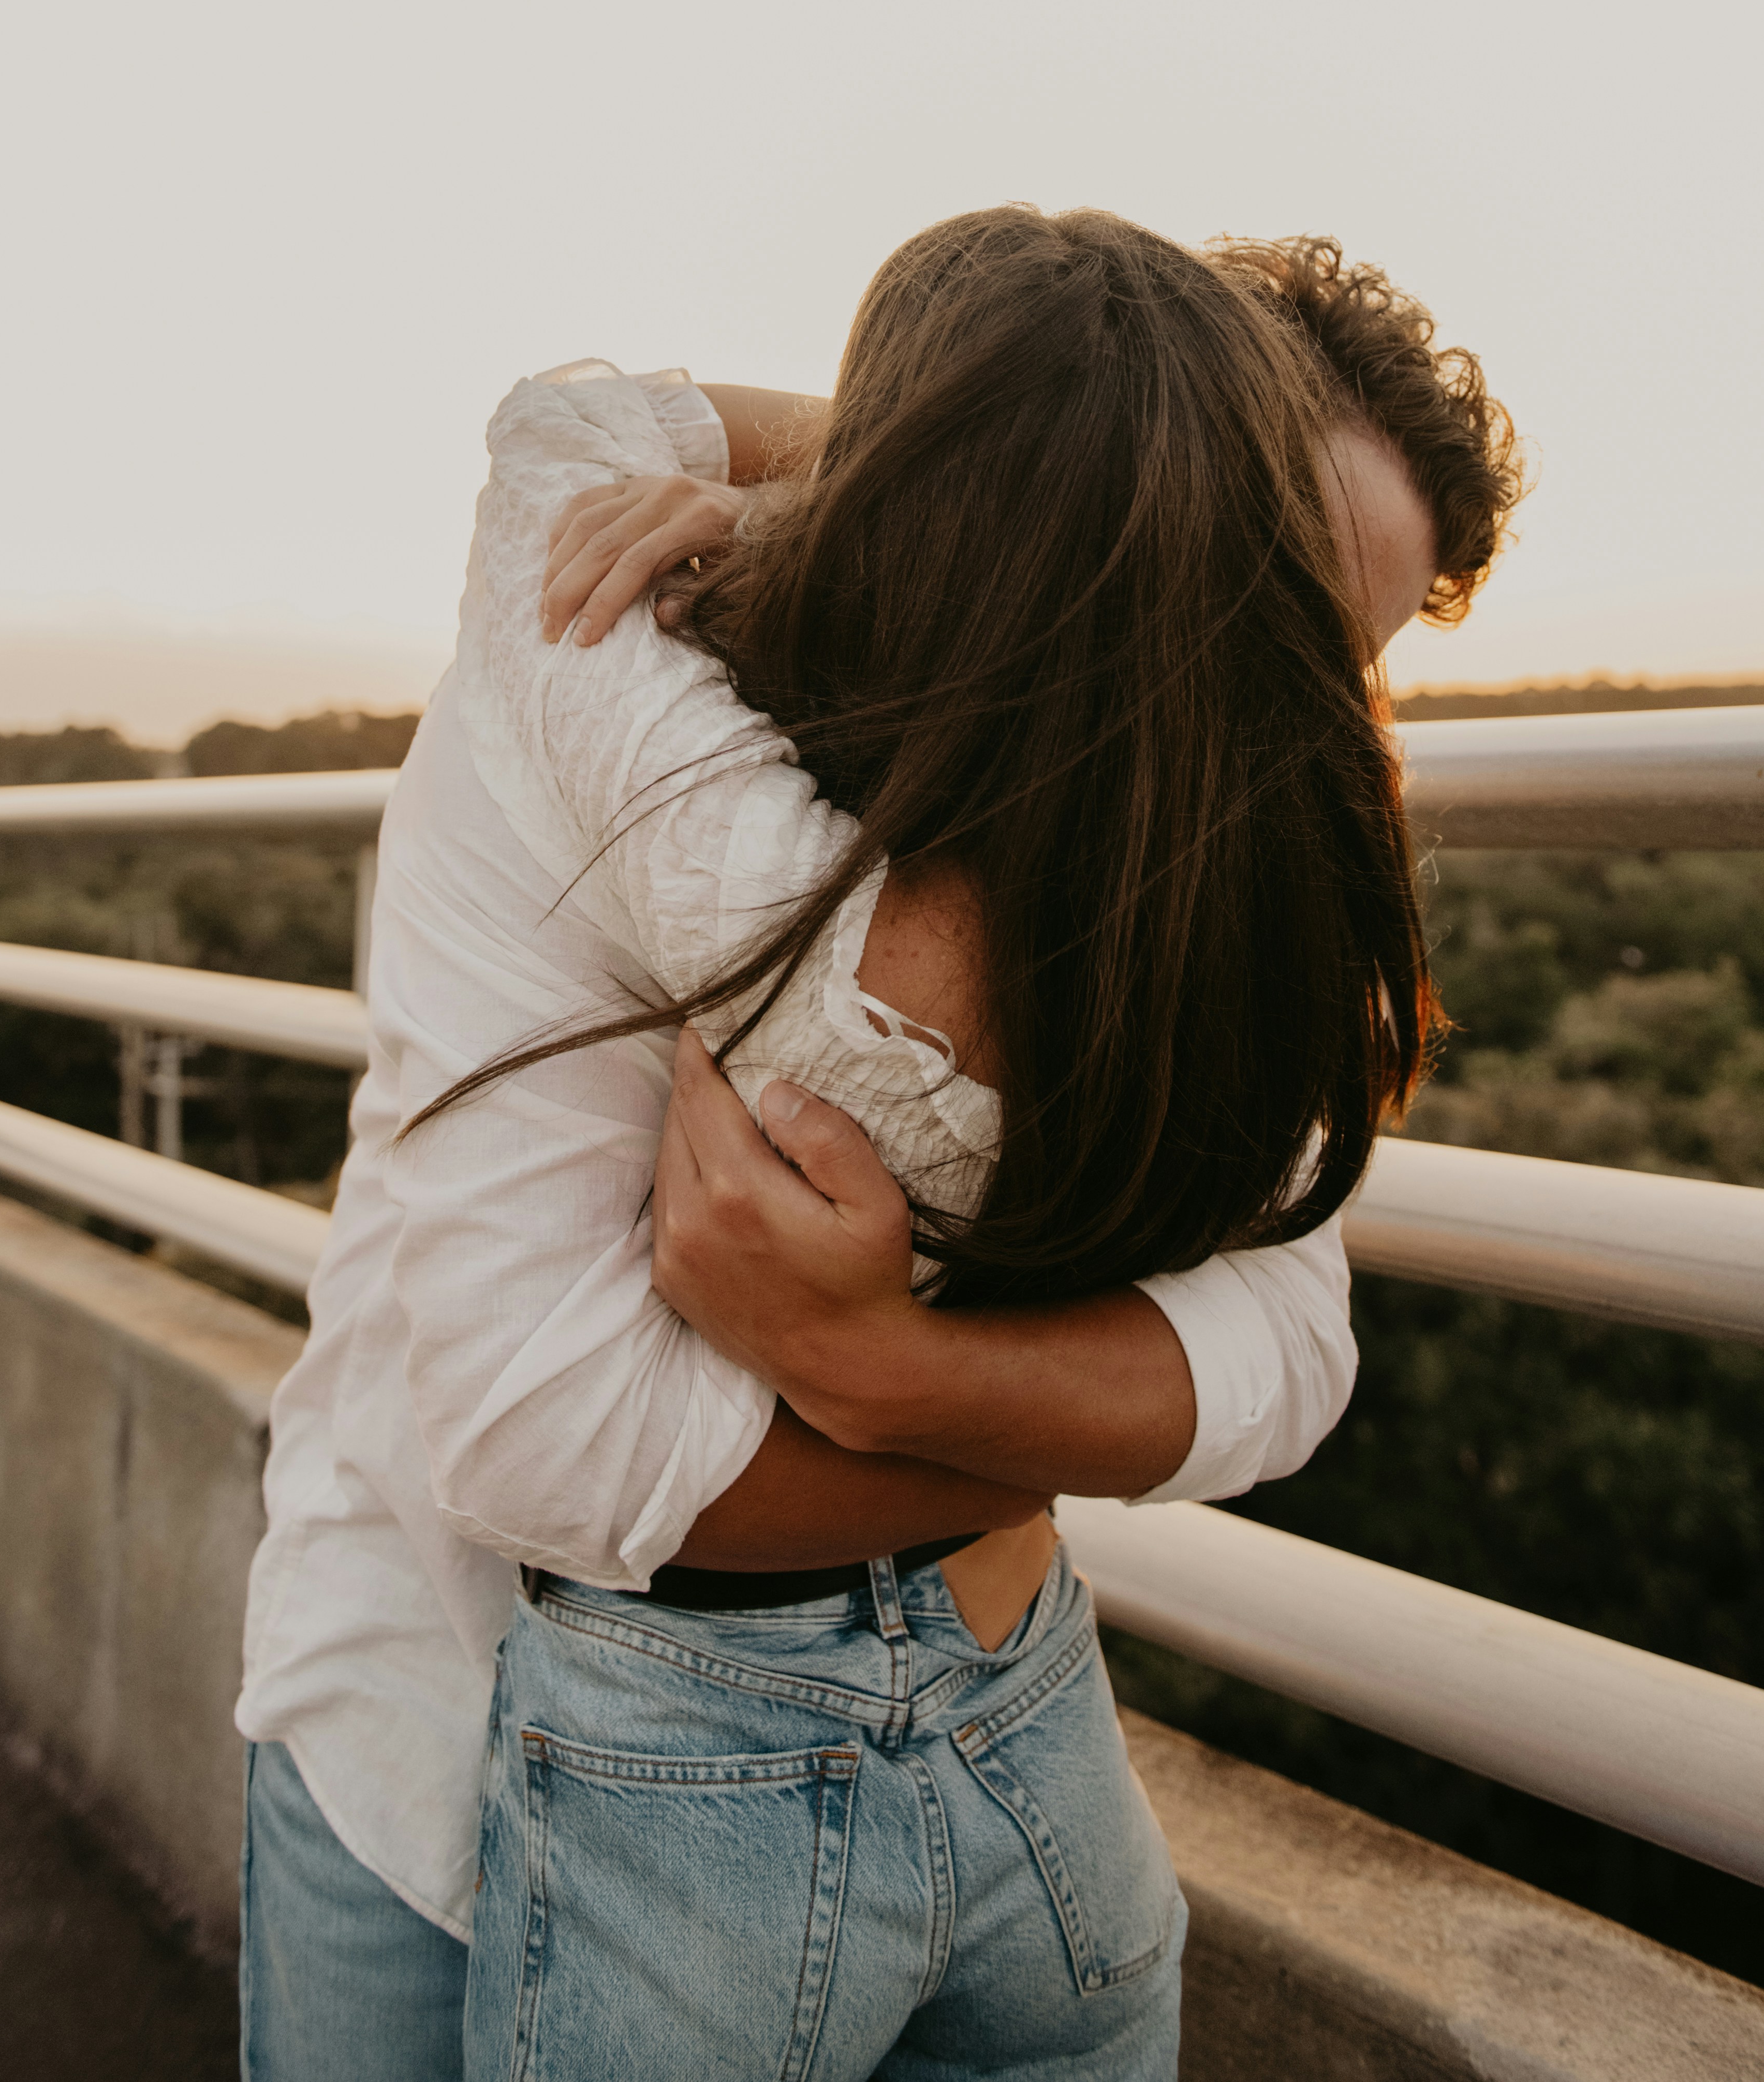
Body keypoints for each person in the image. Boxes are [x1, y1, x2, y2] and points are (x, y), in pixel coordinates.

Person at [236, 212, 1519, 2080]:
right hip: (418, 1695)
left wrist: (881, 1363)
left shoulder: (1185, 867)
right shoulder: (602, 699)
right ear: (1120, 493)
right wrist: (1015, 1426)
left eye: (1331, 669)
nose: (1264, 713)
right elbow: (536, 1429)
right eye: (1249, 594)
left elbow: (1283, 1336)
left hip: (971, 1735)